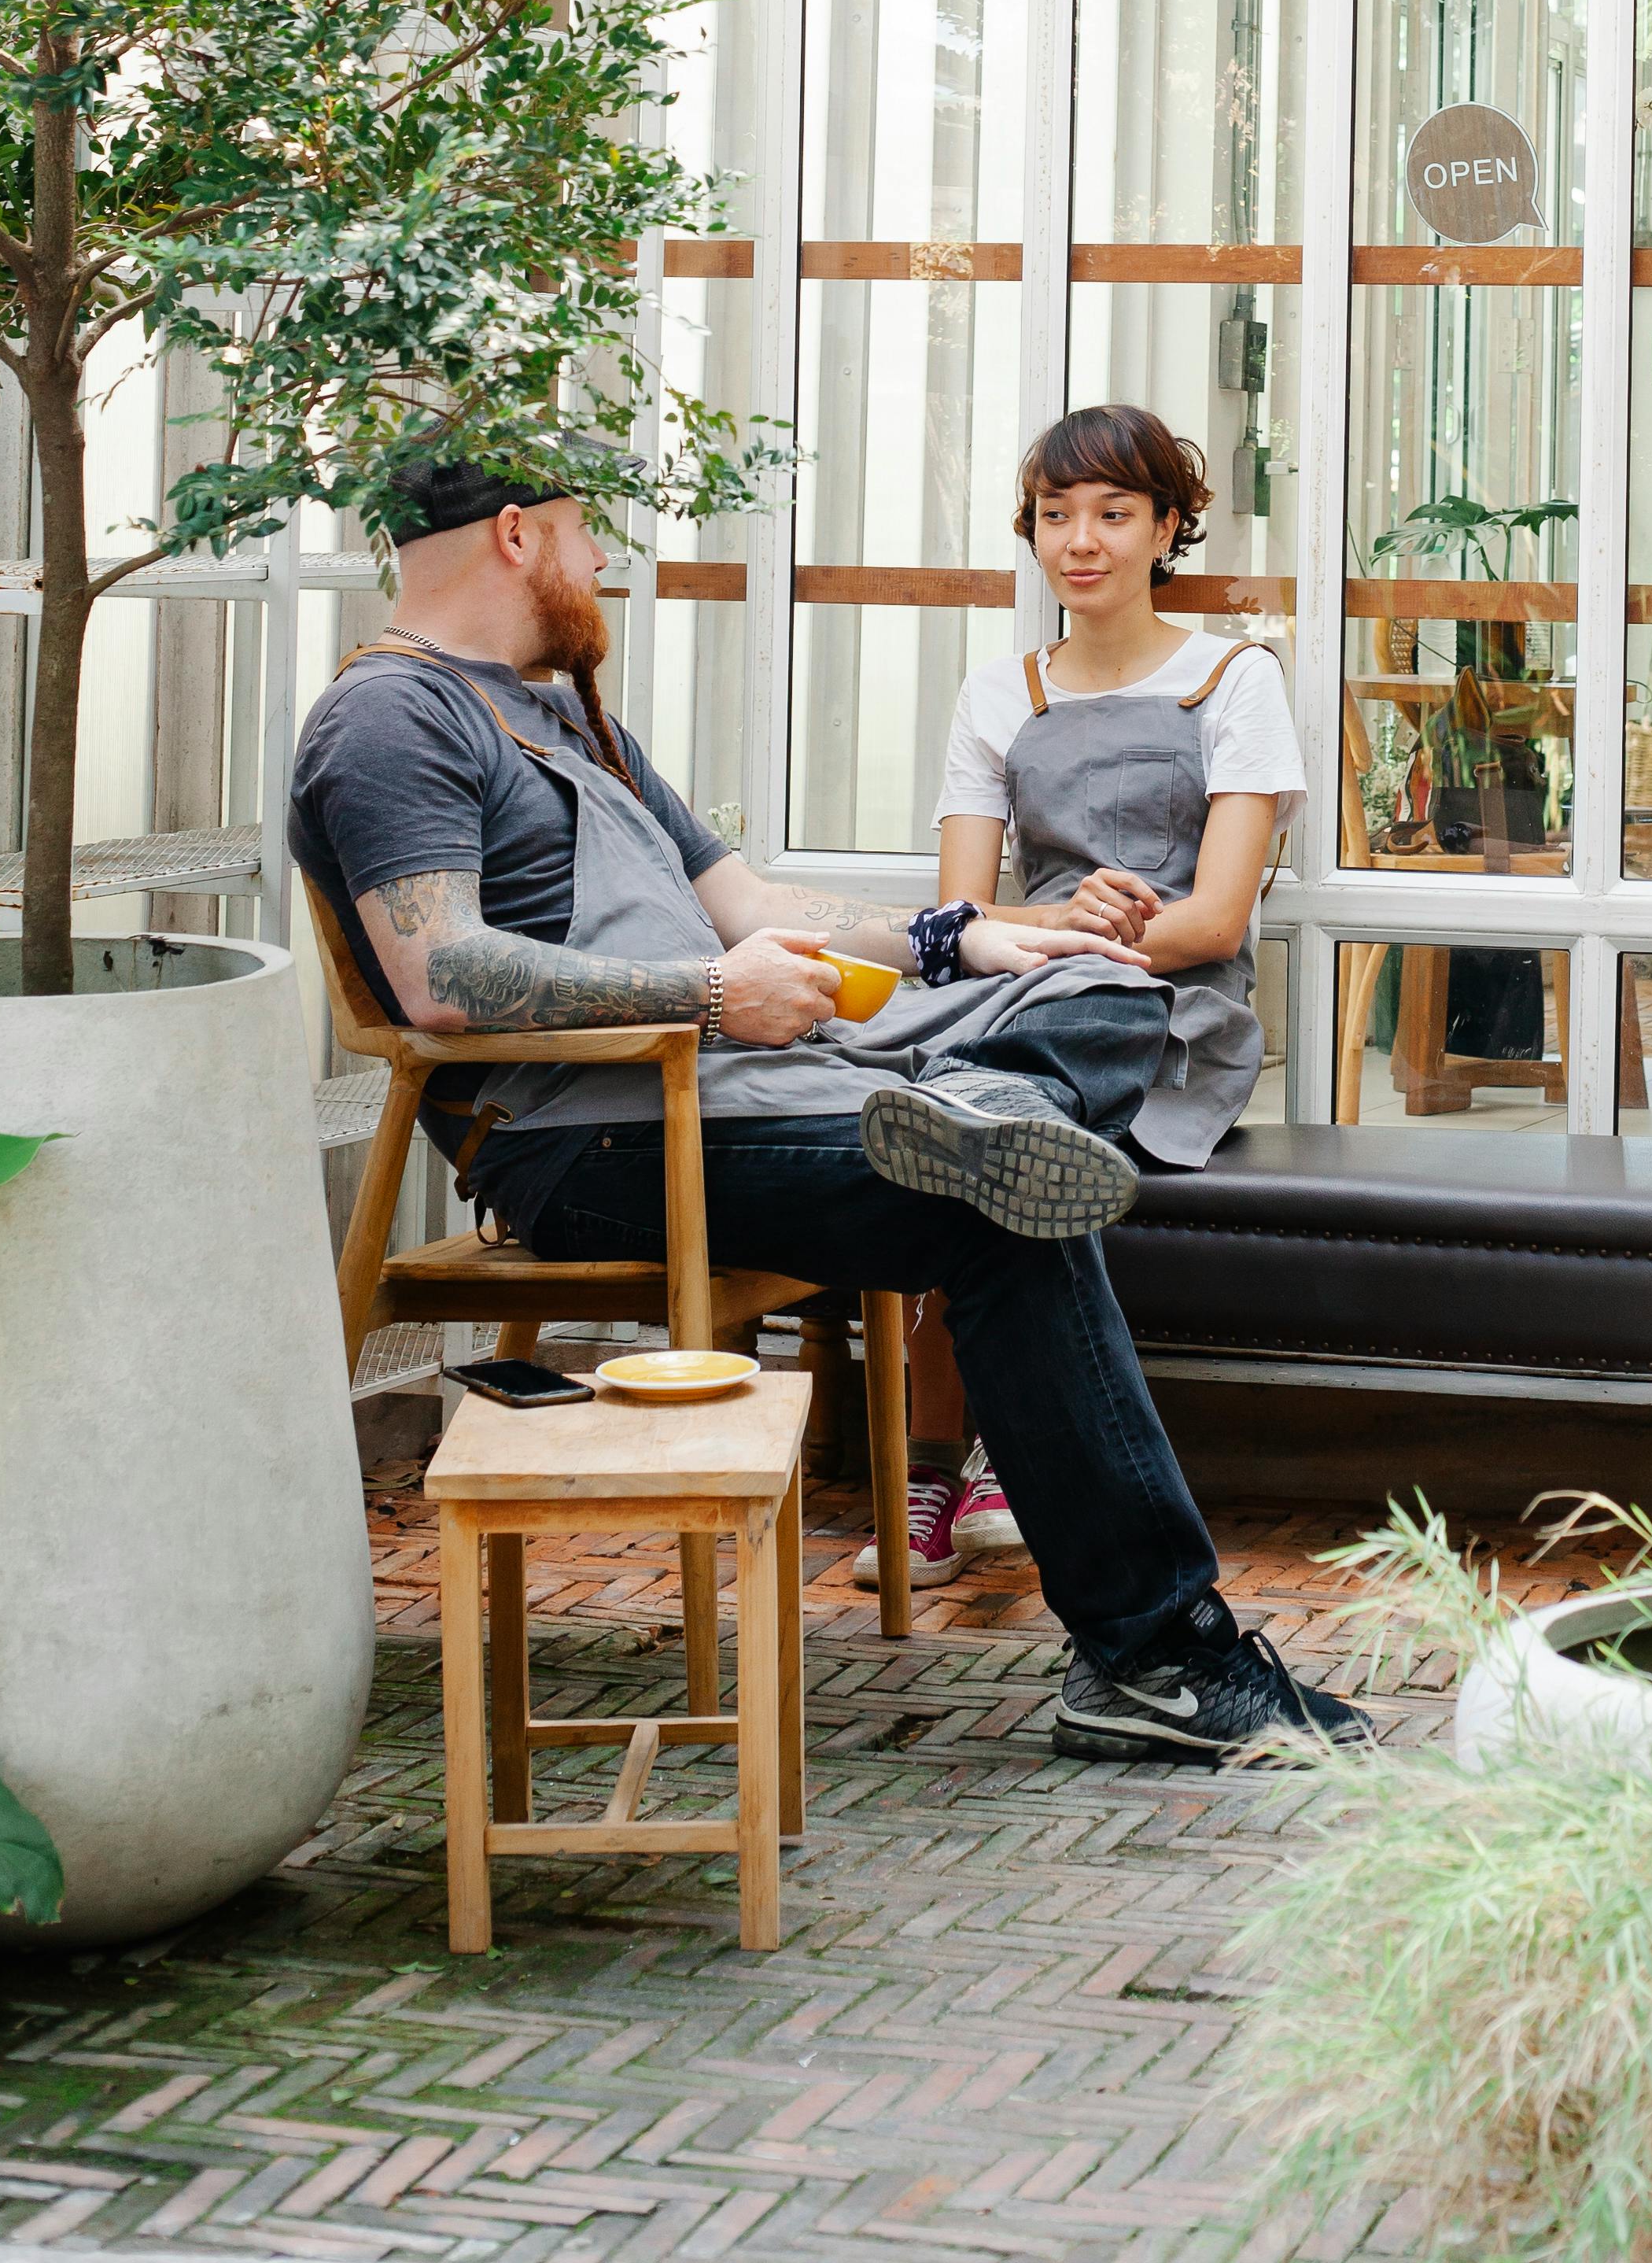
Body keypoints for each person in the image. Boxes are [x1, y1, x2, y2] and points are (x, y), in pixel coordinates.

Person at [288, 460, 1362, 1764]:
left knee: (1102, 991)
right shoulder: (393, 719)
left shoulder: (568, 721)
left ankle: (984, 1100)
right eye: (583, 540)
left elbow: (758, 907)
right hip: (601, 1132)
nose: (601, 568)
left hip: (746, 1082)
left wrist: (964, 943)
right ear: (517, 539)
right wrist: (705, 993)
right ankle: (1153, 1654)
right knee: (1001, 1213)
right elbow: (438, 977)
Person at [878, 406, 1298, 1583]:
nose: (1082, 540)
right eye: (1056, 516)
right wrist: (1056, 927)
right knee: (959, 1125)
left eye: (1115, 513)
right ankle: (930, 1477)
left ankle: (993, 1459)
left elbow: (1214, 918)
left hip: (1171, 1005)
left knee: (987, 1119)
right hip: (1026, 981)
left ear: (1168, 528)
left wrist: (1095, 945)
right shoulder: (998, 696)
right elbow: (963, 915)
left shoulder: (1235, 681)